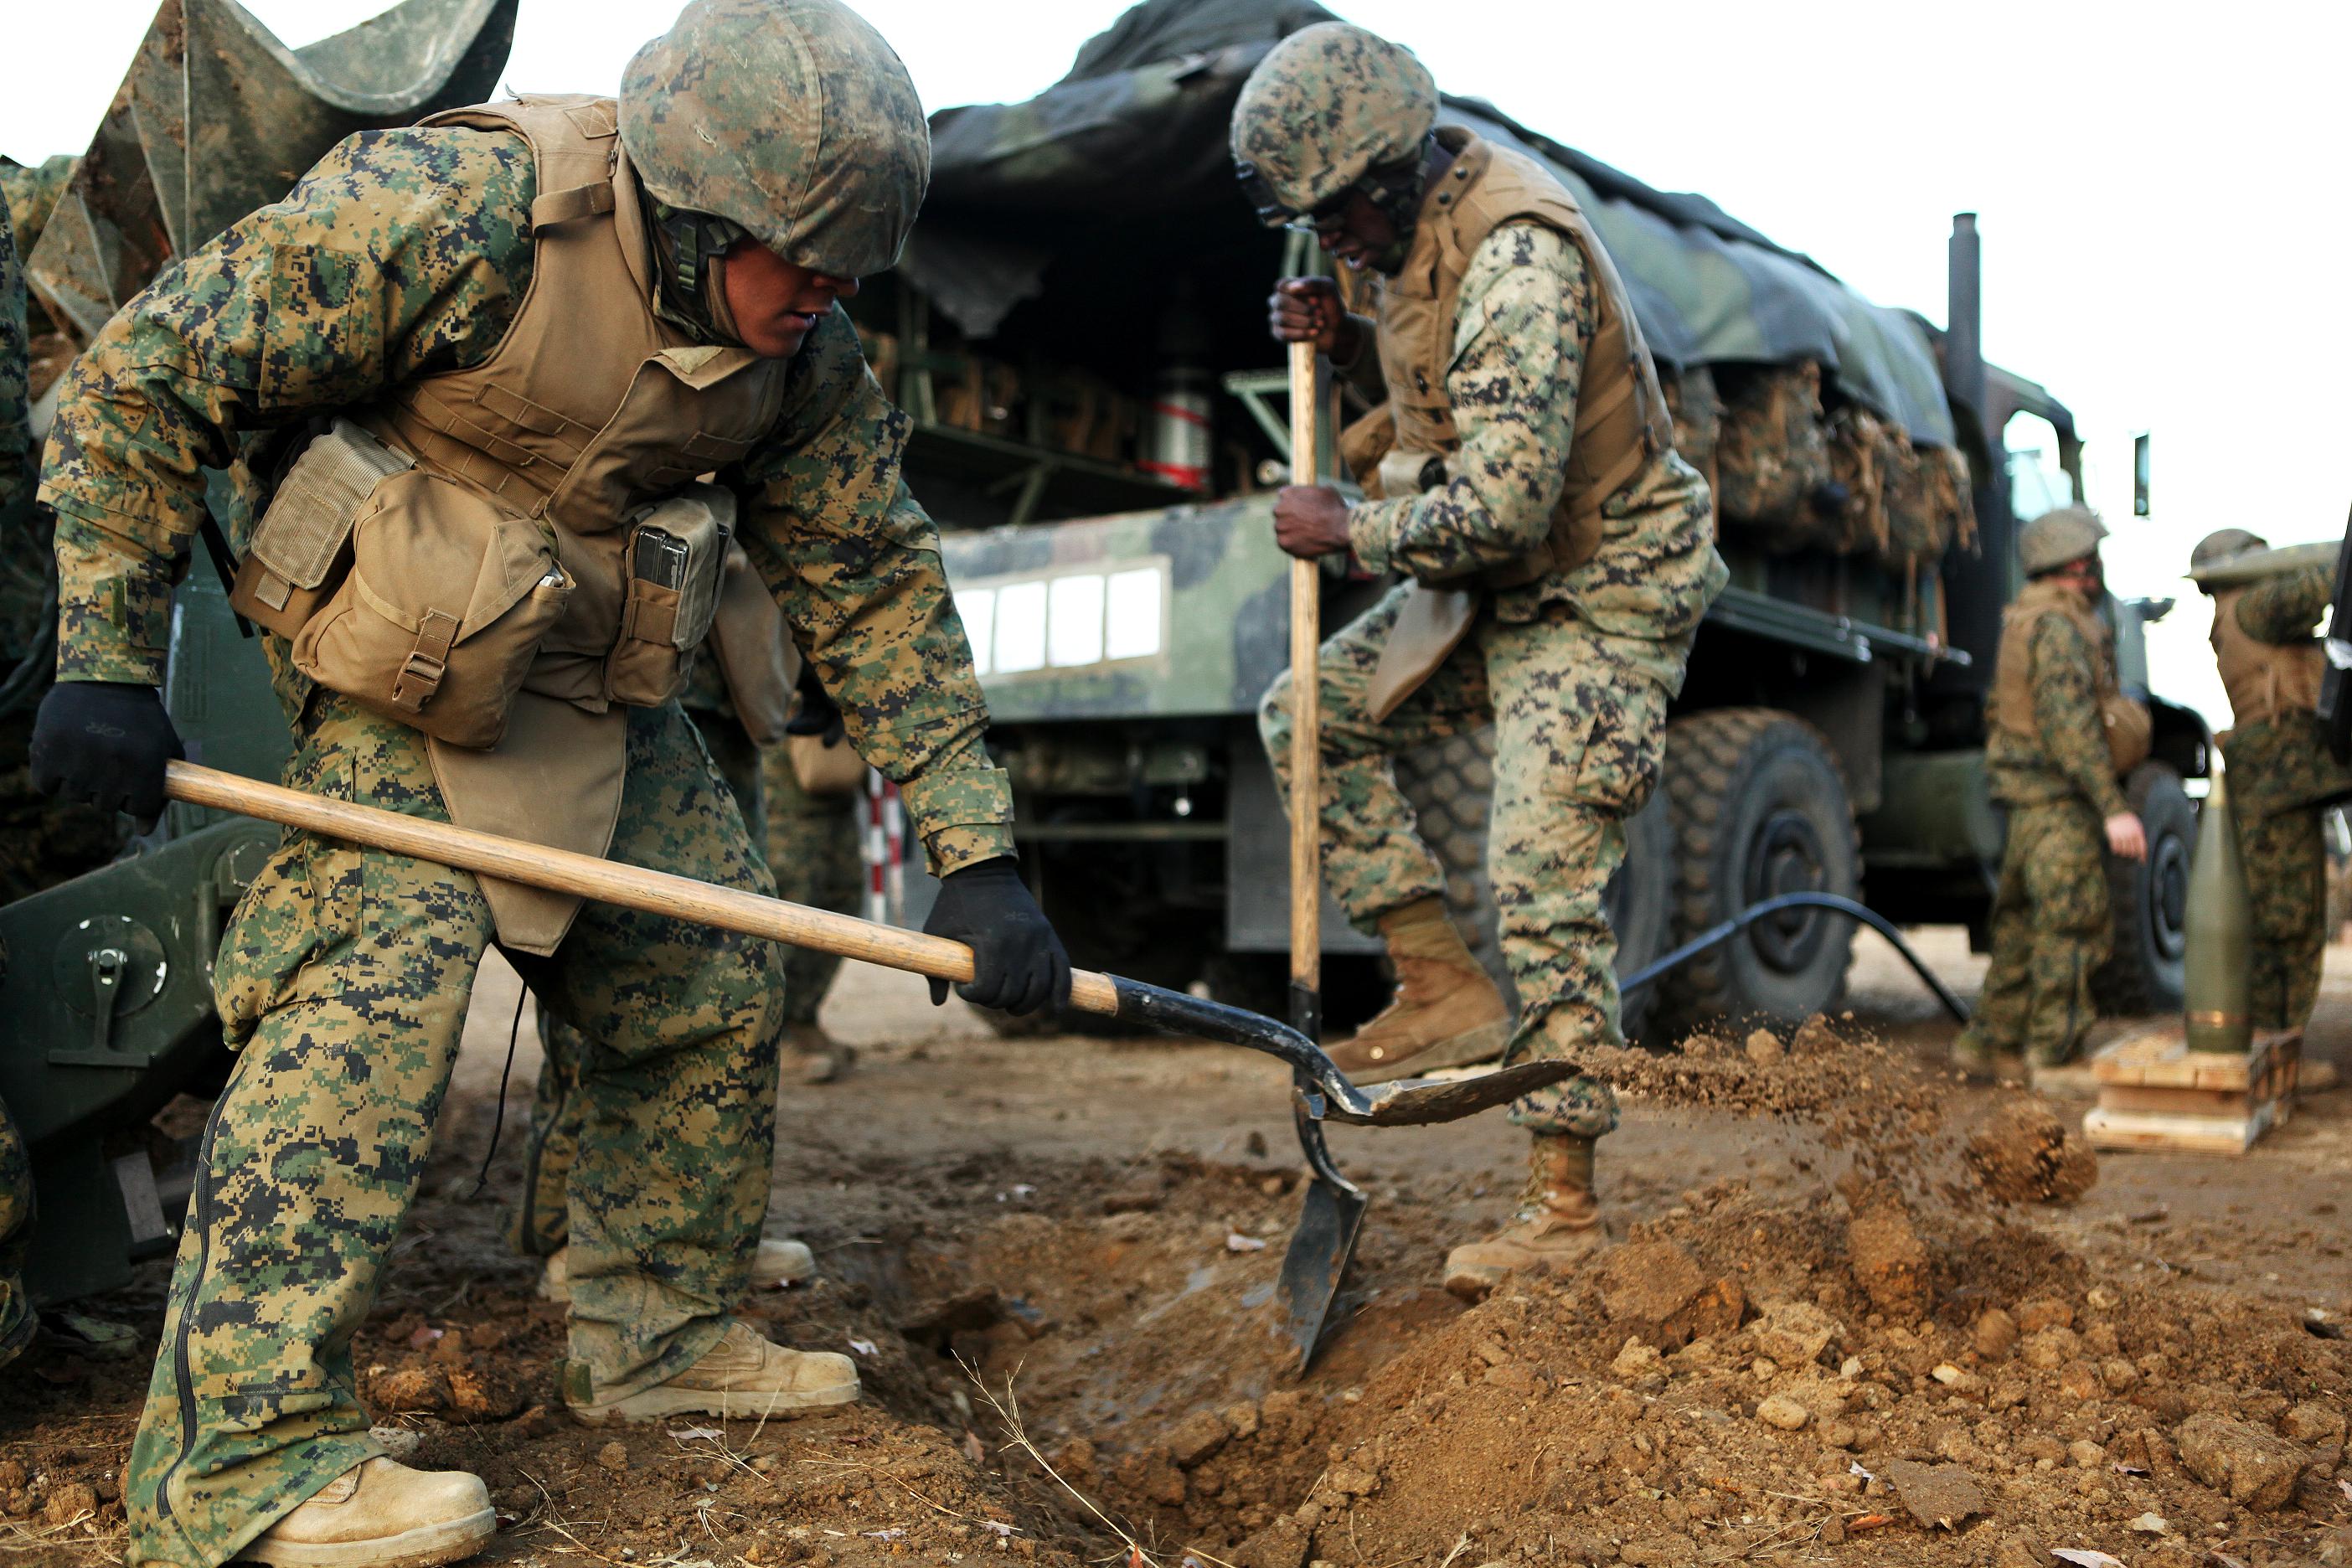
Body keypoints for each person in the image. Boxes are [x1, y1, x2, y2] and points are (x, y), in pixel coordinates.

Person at [28, 3, 1068, 1564]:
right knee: (373, 982)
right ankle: (237, 1459)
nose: (833, 293)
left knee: (709, 970)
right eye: (805, 257)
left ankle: (648, 1329)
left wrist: (975, 848)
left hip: (585, 666)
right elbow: (146, 378)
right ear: (705, 212)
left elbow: (869, 576)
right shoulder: (458, 214)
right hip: (388, 659)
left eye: (855, 264)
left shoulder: (804, 350)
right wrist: (105, 651)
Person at [1232, 23, 1725, 1301]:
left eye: (1339, 218)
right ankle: (1438, 983)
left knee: (1540, 875)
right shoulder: (1410, 246)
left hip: (1600, 584)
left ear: (1396, 177)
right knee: (1309, 715)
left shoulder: (1517, 253)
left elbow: (1502, 506)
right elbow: (1439, 408)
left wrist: (1349, 530)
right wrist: (1346, 342)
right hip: (1496, 587)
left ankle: (1564, 1205)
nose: (1332, 243)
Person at [1952, 507, 2147, 1081]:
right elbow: (2071, 727)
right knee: (2073, 921)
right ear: (2079, 565)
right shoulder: (2061, 627)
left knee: (2018, 926)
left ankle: (1988, 1043)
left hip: (2027, 797)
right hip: (2057, 798)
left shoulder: (2028, 618)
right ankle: (2053, 1054)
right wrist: (2114, 808)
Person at [2189, 529, 2351, 1031]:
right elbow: (2327, 581)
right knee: (2283, 922)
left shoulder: (2232, 615)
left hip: (2284, 781)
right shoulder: (2253, 606)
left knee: (2296, 917)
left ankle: (2282, 1042)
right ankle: (2267, 1040)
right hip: (2280, 778)